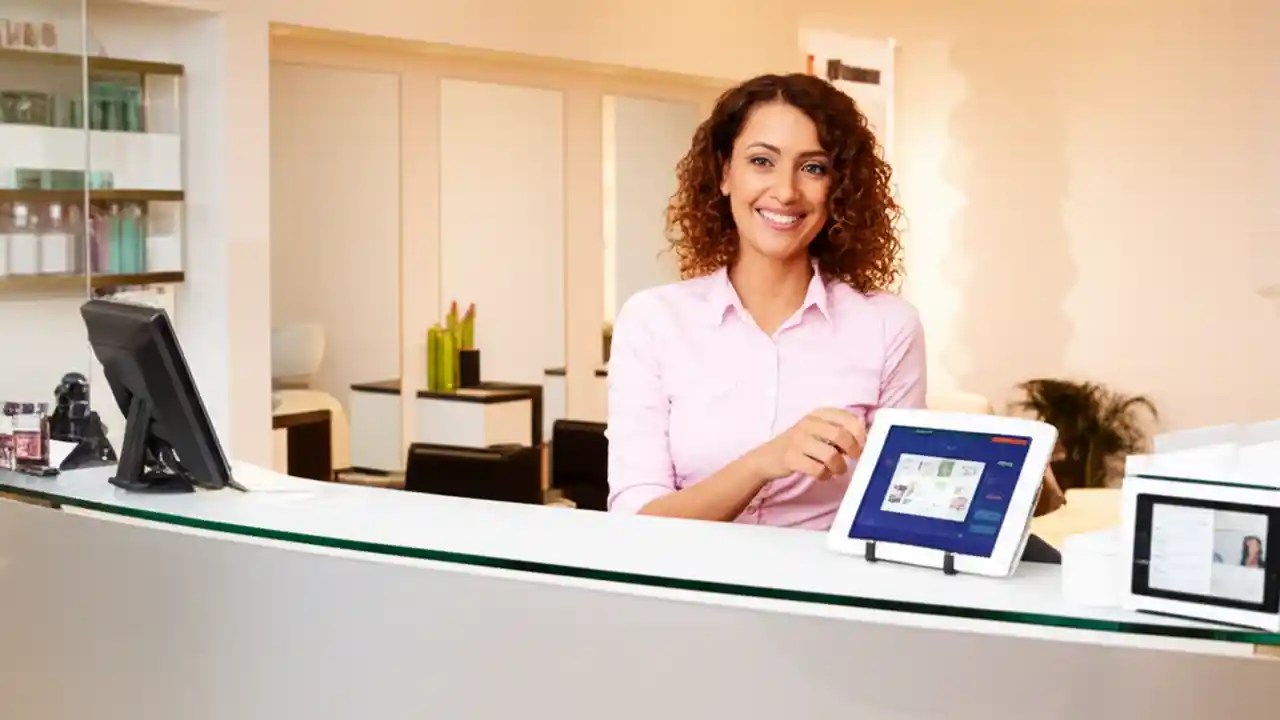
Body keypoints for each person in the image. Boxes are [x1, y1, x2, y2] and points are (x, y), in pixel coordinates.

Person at [605, 73, 1064, 529]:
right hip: (685, 590)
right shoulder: (653, 321)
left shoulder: (888, 325)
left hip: (833, 594)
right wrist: (764, 463)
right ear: (725, 174)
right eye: (762, 161)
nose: (786, 191)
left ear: (838, 189)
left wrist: (1009, 487)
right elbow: (635, 521)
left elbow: (901, 508)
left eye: (813, 167)